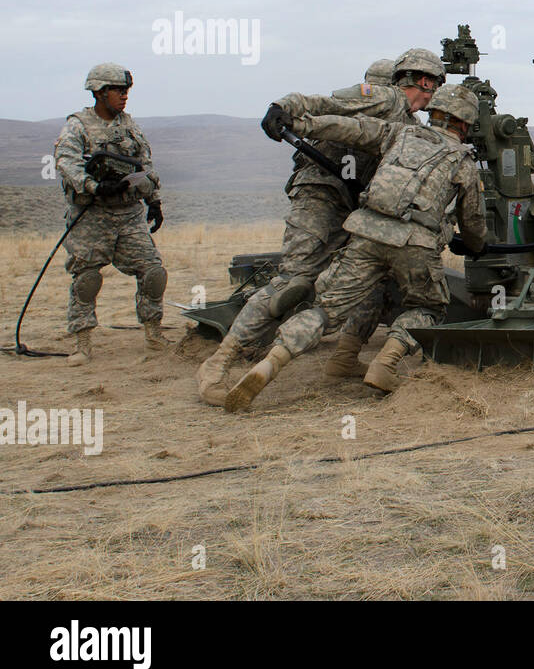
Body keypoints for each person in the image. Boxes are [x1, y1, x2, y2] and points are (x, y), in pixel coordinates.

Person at [195, 50, 444, 404]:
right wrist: (285, 105)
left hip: (355, 205)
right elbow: (327, 103)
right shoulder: (382, 98)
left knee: (376, 277)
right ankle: (218, 364)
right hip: (322, 191)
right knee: (294, 283)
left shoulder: (409, 125)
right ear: (425, 81)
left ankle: (344, 358)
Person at [224, 84, 487, 411]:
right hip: (414, 243)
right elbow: (474, 224)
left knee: (325, 310)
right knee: (429, 307)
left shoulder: (397, 134)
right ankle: (385, 364)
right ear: (464, 124)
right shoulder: (462, 161)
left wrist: (300, 124)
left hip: (365, 233)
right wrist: (473, 244)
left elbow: (349, 128)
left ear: (434, 113)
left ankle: (269, 363)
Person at [54, 63, 168, 365]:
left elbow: (145, 165)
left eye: (126, 90)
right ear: (100, 92)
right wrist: (93, 186)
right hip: (92, 214)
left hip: (129, 212)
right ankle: (82, 342)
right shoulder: (77, 125)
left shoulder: (130, 126)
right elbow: (67, 163)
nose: (124, 96)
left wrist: (153, 201)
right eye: (119, 90)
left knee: (153, 272)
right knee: (87, 277)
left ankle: (154, 333)